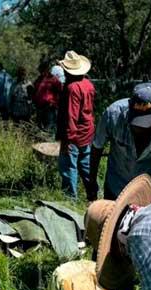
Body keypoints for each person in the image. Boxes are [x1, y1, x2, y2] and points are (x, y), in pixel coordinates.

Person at [91, 82, 151, 201]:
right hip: (116, 186)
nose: (139, 128)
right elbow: (97, 147)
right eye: (136, 121)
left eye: (145, 123)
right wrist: (92, 183)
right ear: (129, 105)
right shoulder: (113, 114)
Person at [55, 51, 96, 200]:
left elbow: (71, 115)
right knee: (86, 166)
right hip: (87, 132)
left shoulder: (72, 88)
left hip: (74, 135)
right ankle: (92, 196)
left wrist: (68, 139)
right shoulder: (88, 84)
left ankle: (70, 200)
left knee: (68, 168)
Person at [32, 61, 62, 133]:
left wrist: (54, 103)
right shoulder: (38, 80)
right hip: (39, 107)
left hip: (49, 107)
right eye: (40, 69)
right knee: (40, 128)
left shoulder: (53, 79)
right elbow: (35, 92)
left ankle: (50, 140)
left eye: (43, 69)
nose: (41, 71)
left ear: (47, 69)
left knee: (49, 127)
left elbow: (60, 92)